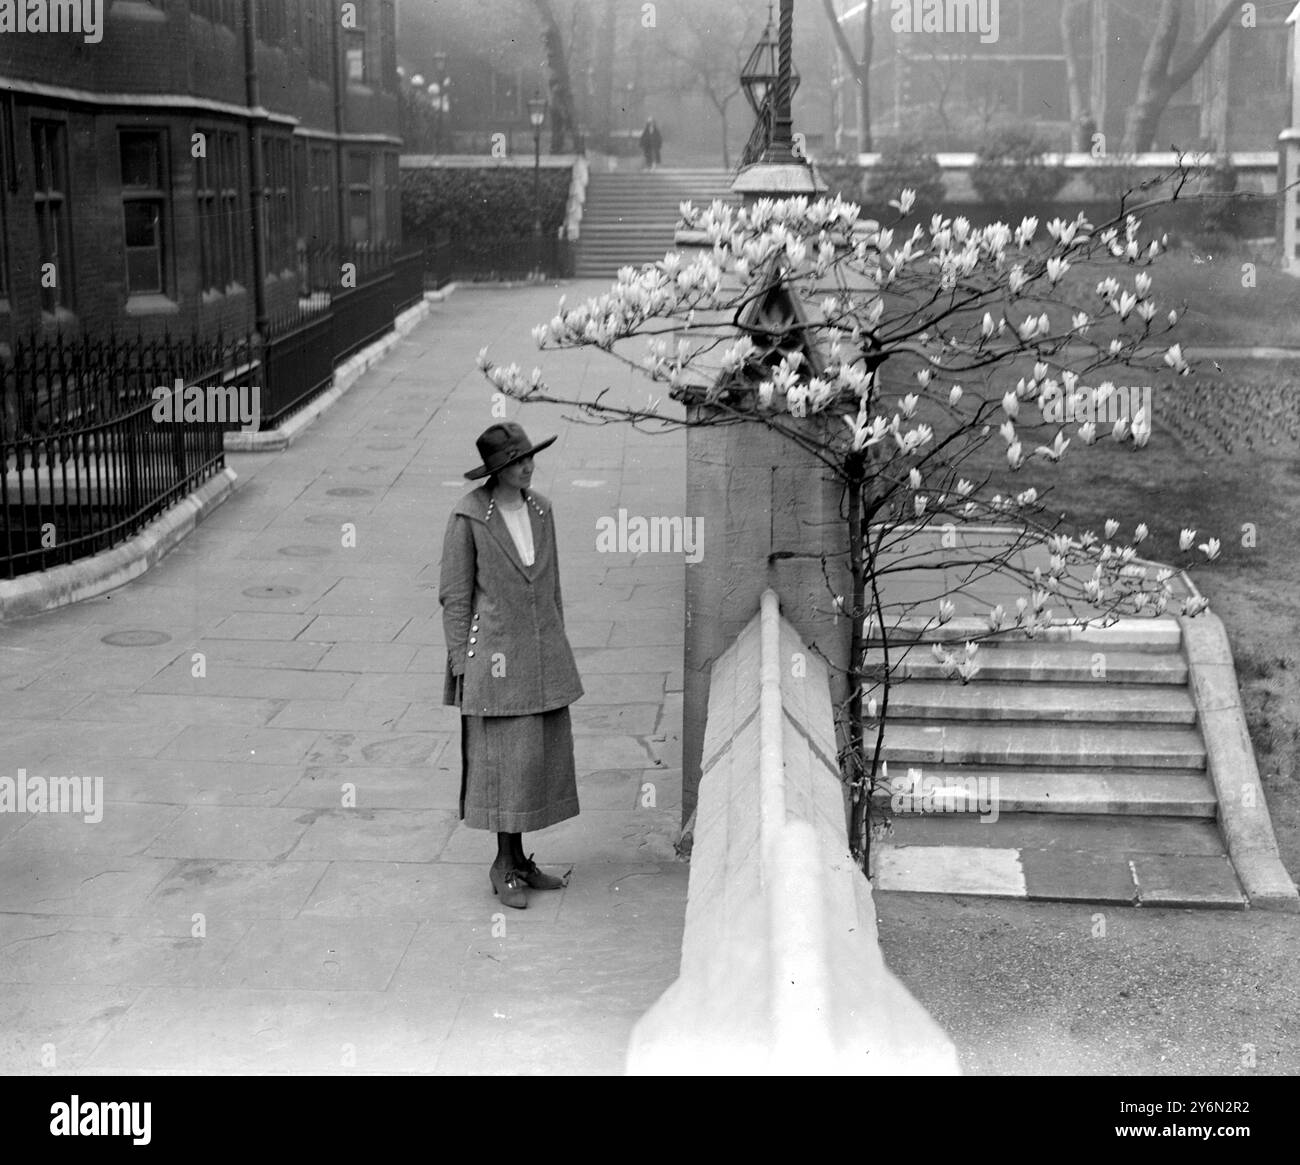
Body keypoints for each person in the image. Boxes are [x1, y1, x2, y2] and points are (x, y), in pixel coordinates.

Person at [439, 422, 584, 910]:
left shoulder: (542, 509)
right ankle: (503, 864)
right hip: (494, 661)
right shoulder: (469, 518)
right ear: (497, 470)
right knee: (502, 764)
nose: (528, 466)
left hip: (540, 655)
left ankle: (521, 861)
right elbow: (455, 598)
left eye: (530, 458)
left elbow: (553, 587)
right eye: (518, 461)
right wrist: (463, 666)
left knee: (530, 762)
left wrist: (559, 646)